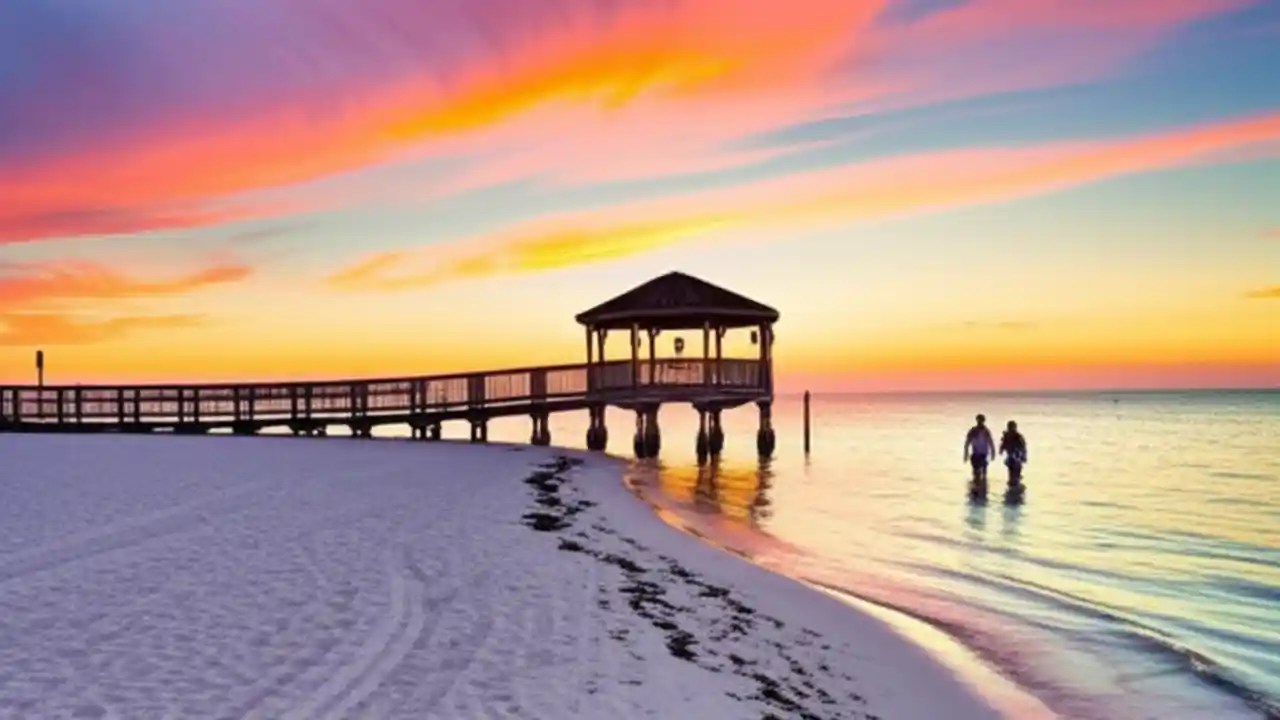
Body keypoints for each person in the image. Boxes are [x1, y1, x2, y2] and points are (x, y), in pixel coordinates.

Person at [963, 414, 995, 483]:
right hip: (975, 454)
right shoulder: (973, 431)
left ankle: (982, 486)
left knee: (984, 472)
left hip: (984, 454)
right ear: (977, 420)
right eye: (979, 420)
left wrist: (993, 452)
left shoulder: (986, 431)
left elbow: (991, 442)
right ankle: (976, 486)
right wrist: (966, 453)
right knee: (976, 471)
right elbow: (967, 443)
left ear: (983, 421)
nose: (980, 422)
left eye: (981, 420)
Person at [1000, 420, 1028, 486]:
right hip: (1010, 455)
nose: (1011, 429)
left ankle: (1016, 479)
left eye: (1012, 427)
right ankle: (1013, 480)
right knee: (1011, 469)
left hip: (1017, 455)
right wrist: (1001, 450)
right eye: (1009, 427)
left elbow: (1023, 446)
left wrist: (1024, 455)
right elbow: (1003, 443)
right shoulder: (1006, 435)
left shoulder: (1018, 436)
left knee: (1016, 468)